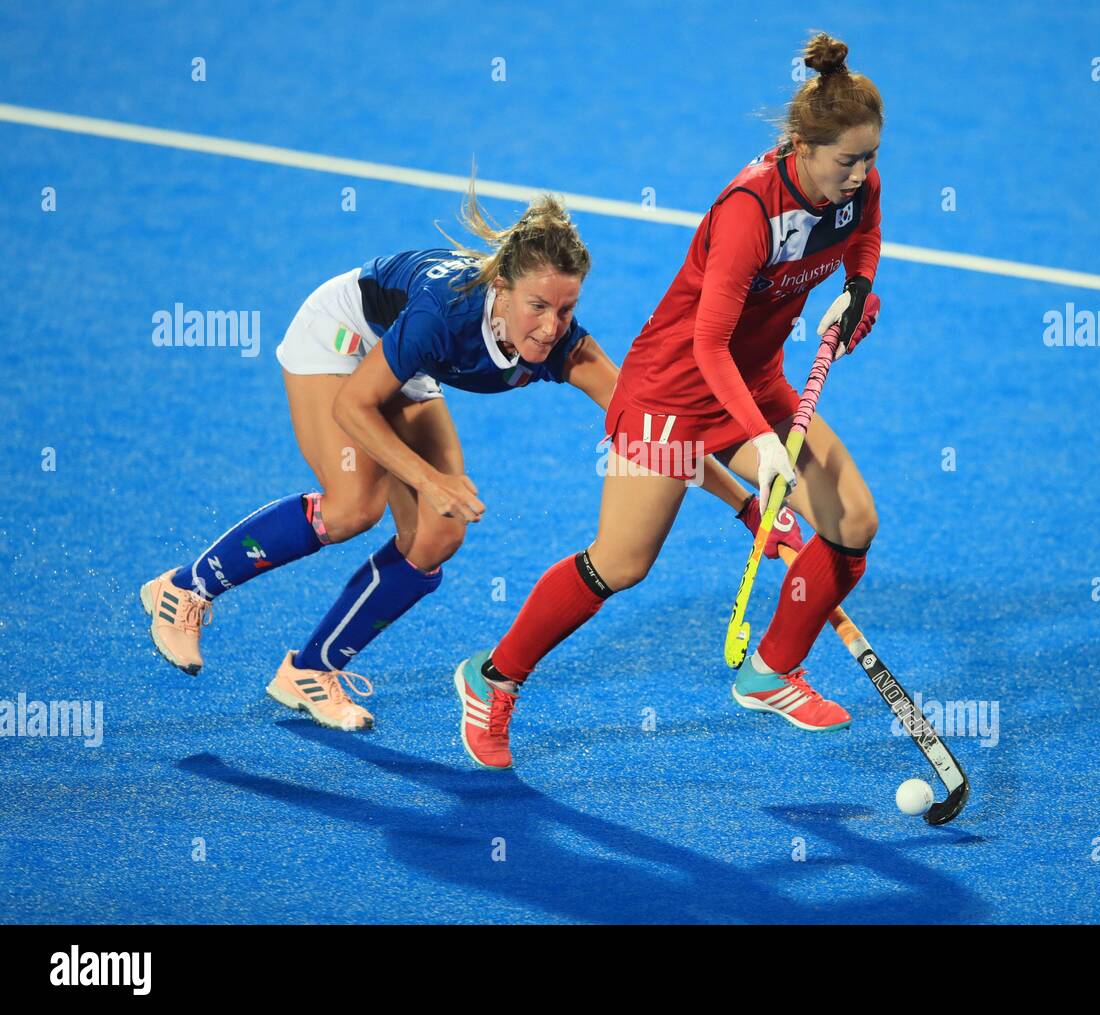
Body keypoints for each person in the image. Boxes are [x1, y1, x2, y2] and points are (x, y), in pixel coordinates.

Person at [140, 189, 801, 731]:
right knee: (353, 508)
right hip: (344, 338)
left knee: (438, 531)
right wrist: (427, 478)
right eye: (538, 306)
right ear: (503, 288)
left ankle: (309, 669)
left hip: (407, 365)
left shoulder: (565, 346)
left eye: (566, 308)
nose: (550, 326)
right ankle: (185, 589)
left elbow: (655, 430)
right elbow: (354, 407)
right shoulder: (444, 314)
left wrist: (746, 505)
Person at [454, 31, 885, 770]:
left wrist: (856, 296)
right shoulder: (751, 211)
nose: (862, 173)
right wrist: (764, 441)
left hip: (755, 377)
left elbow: (865, 240)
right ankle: (492, 677)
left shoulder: (857, 188)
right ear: (803, 147)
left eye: (871, 156)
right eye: (847, 160)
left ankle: (772, 669)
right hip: (673, 388)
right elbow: (708, 346)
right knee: (621, 563)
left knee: (853, 525)